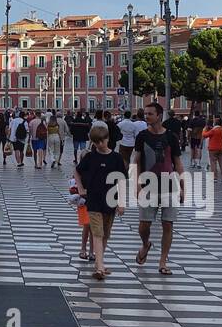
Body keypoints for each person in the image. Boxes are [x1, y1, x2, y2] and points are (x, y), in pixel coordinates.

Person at [132, 101, 184, 276]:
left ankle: (163, 261)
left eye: (150, 114)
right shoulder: (142, 136)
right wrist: (137, 183)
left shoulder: (171, 137)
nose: (146, 116)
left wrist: (183, 187)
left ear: (159, 116)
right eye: (145, 114)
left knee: (168, 224)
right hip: (148, 186)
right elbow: (136, 161)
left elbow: (178, 163)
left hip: (170, 186)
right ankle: (146, 244)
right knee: (143, 225)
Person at [75, 124, 126, 281]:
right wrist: (80, 187)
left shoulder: (116, 158)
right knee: (97, 233)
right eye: (96, 142)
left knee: (105, 234)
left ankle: (99, 262)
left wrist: (121, 202)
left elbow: (122, 181)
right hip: (94, 200)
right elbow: (77, 171)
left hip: (110, 201)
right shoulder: (90, 157)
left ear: (108, 139)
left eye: (101, 142)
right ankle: (100, 266)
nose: (99, 145)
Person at [202, 116, 222, 182]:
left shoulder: (213, 130)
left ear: (215, 123)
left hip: (213, 148)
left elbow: (204, 135)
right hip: (221, 148)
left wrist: (205, 129)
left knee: (213, 163)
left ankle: (215, 178)